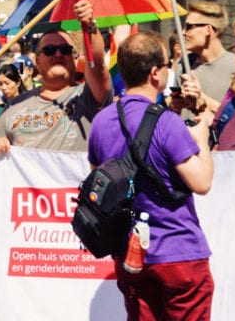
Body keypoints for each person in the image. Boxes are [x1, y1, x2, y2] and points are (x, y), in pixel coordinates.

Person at [88, 32, 214, 320]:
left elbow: (98, 182)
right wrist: (202, 139)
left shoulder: (102, 121)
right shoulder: (168, 123)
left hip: (131, 255)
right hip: (177, 249)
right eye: (168, 64)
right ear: (156, 73)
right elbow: (202, 182)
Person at [0, 1, 111, 153]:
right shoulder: (14, 106)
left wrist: (90, 26)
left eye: (65, 49)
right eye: (50, 50)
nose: (58, 54)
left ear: (75, 59)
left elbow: (97, 64)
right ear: (37, 62)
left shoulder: (89, 97)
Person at [178, 0, 235, 112]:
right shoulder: (182, 65)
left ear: (208, 30)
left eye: (189, 27)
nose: (183, 32)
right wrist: (173, 105)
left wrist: (202, 99)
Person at [0, 63, 24, 135]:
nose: (3, 88)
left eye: (7, 83)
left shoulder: (29, 106)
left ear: (18, 82)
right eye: (0, 84)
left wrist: (2, 126)